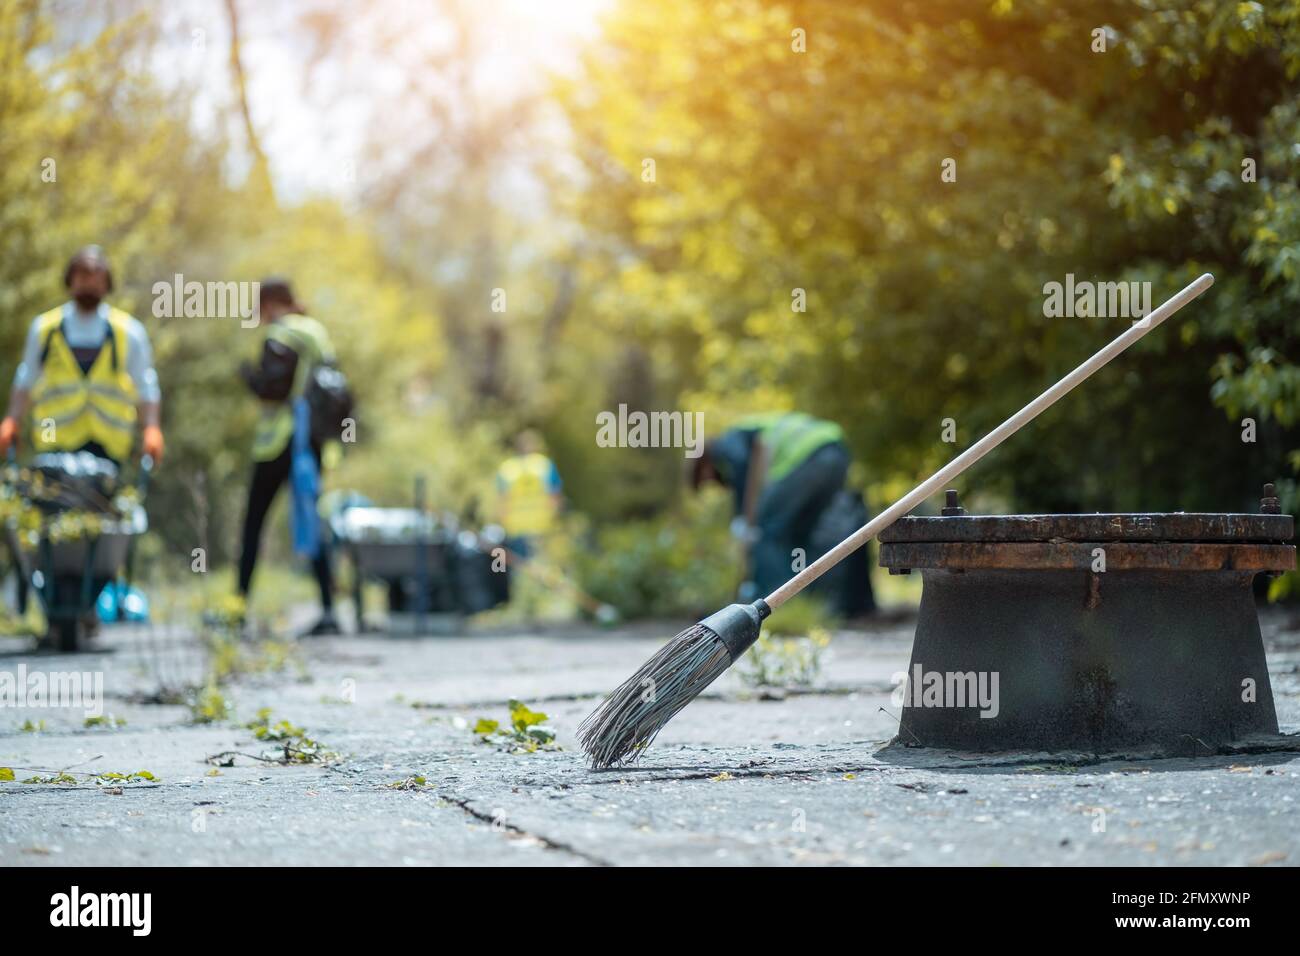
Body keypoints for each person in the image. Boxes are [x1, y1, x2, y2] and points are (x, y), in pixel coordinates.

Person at [237, 278, 338, 635]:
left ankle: (238, 609)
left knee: (254, 522)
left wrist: (249, 378)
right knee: (313, 519)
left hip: (279, 440)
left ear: (270, 303)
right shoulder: (316, 332)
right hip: (312, 442)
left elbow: (272, 389)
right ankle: (329, 611)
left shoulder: (281, 333)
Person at [0, 245, 164, 466]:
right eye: (83, 276)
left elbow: (146, 386)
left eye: (96, 277)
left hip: (108, 444)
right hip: (51, 440)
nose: (89, 283)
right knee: (48, 492)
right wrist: (13, 419)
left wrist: (151, 428)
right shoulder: (45, 329)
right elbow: (26, 379)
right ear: (70, 279)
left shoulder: (128, 332)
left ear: (107, 283)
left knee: (98, 498)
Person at [691, 412, 851, 602]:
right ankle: (805, 601)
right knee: (799, 535)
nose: (711, 481)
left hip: (808, 457)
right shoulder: (753, 431)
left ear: (704, 462)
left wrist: (743, 517)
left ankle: (772, 602)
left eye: (705, 477)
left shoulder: (727, 442)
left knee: (766, 532)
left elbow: (742, 466)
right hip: (837, 453)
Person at [493, 430, 562, 559]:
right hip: (542, 527)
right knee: (543, 569)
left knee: (521, 569)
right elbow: (555, 497)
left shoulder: (507, 469)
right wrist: (555, 519)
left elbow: (502, 502)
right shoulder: (544, 465)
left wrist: (502, 523)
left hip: (515, 529)